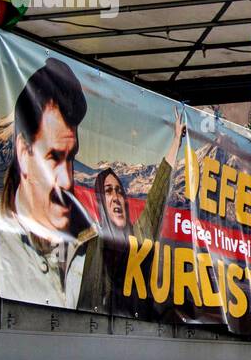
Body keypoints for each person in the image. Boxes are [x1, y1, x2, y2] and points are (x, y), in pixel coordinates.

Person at [0, 57, 93, 308]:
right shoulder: (0, 241)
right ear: (23, 153)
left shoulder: (87, 240)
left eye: (71, 158)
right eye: (54, 157)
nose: (67, 179)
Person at [76, 110, 184, 316]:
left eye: (119, 191)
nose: (116, 197)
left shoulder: (139, 234)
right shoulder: (92, 243)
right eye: (108, 191)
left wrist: (176, 140)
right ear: (100, 202)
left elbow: (156, 198)